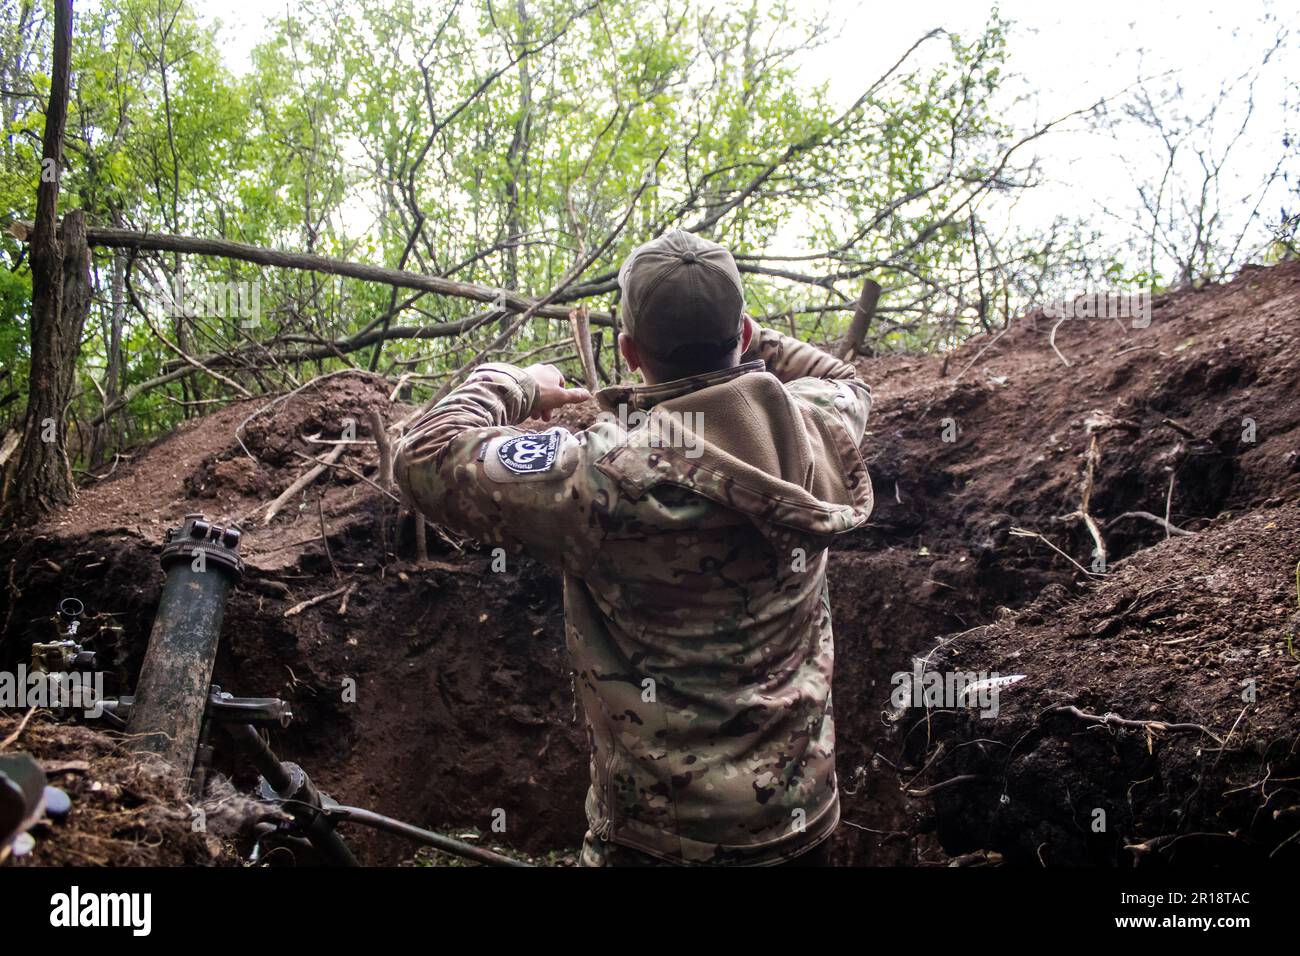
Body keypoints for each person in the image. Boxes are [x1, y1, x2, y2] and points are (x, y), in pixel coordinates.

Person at [395, 229, 874, 866]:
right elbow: (845, 380)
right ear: (748, 335)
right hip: (803, 819)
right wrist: (739, 342)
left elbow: (422, 456)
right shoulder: (817, 427)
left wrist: (513, 383)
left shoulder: (601, 477)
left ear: (628, 352)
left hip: (660, 842)